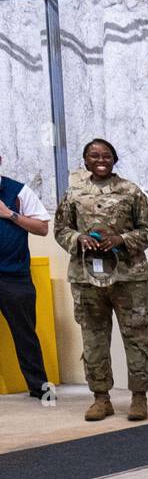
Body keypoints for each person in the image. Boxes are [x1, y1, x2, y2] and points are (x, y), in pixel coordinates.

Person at [53, 139, 148, 422]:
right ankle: (101, 398)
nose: (100, 159)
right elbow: (61, 229)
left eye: (106, 155)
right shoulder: (74, 192)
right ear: (86, 161)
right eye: (94, 155)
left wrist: (122, 240)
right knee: (93, 339)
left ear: (115, 159)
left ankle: (139, 397)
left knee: (136, 338)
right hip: (87, 278)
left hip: (130, 278)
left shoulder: (131, 191)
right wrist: (79, 239)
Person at [0, 152, 53, 401]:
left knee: (25, 335)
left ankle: (40, 388)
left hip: (14, 277)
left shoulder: (18, 191)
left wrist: (9, 214)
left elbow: (42, 228)